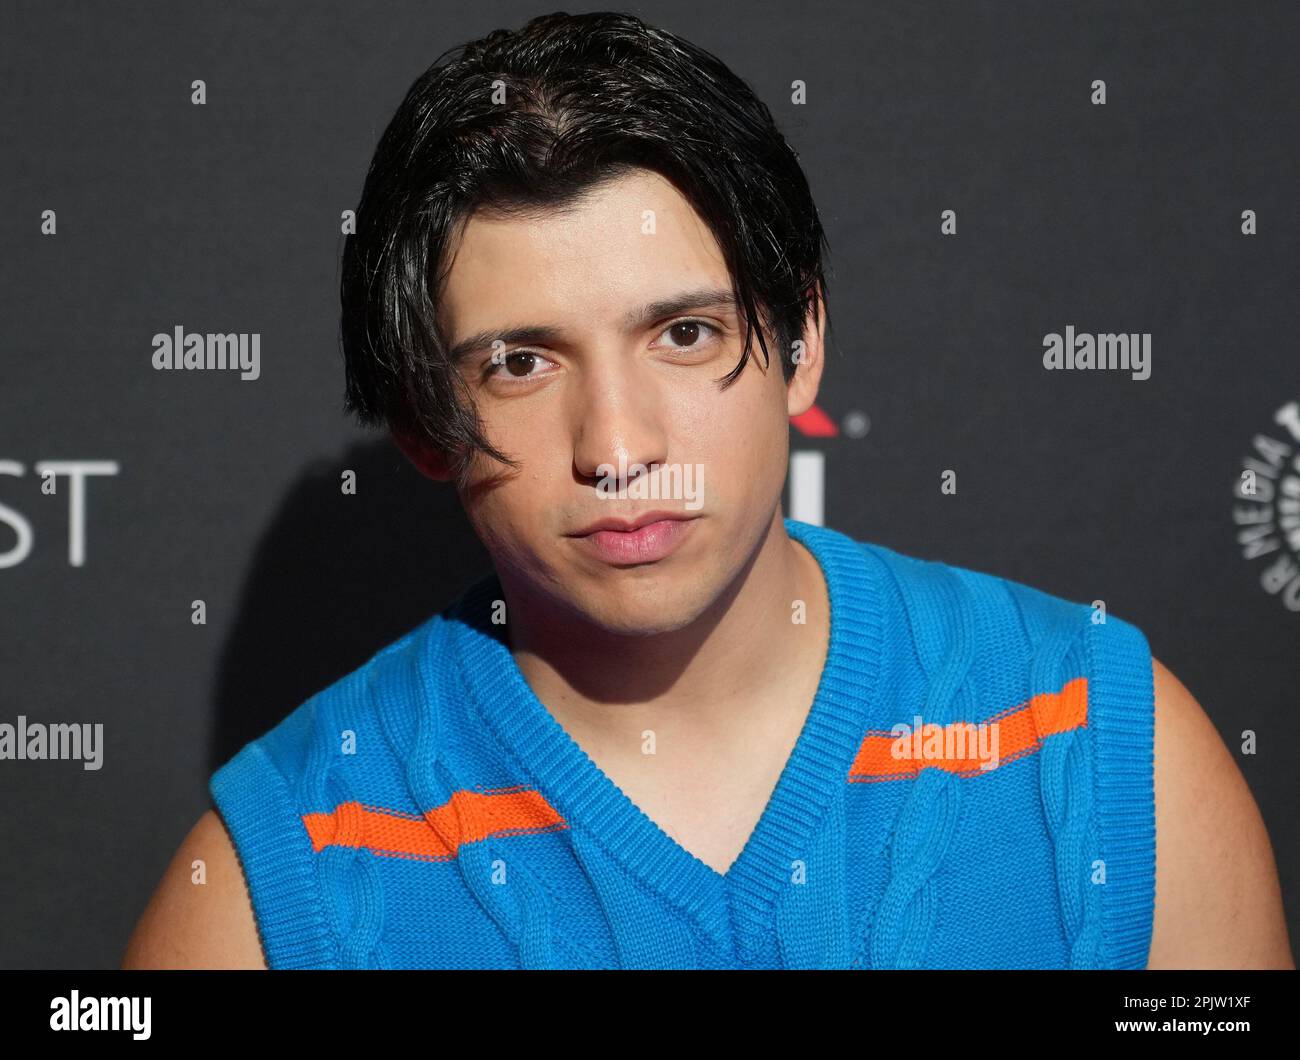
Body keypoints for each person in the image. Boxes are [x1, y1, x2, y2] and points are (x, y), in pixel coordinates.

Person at [123, 11, 1292, 970]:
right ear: (425, 423)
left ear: (802, 340)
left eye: (683, 334)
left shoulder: (1101, 747)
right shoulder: (269, 892)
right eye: (520, 364)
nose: (619, 445)